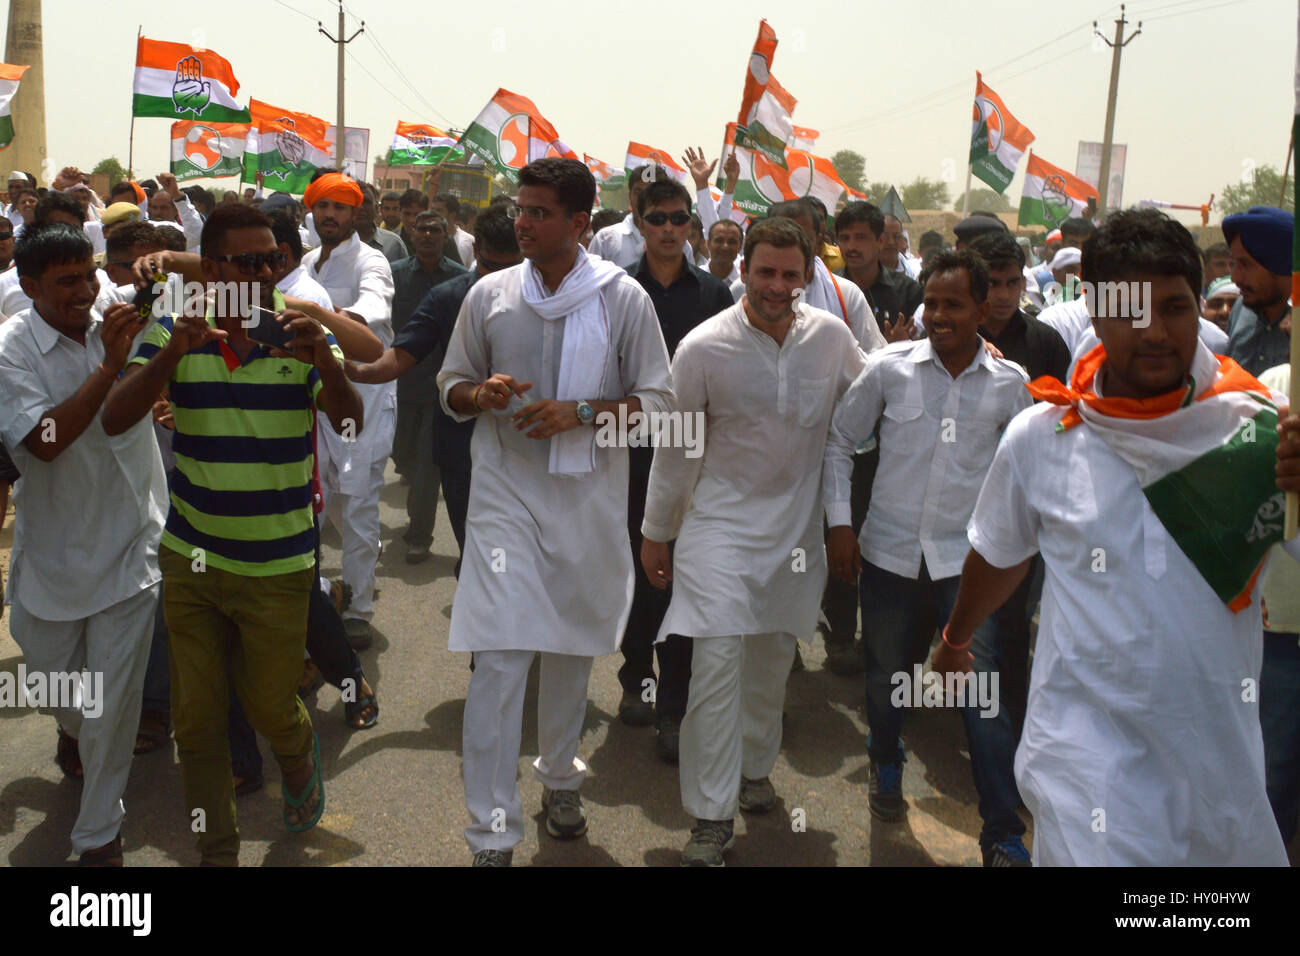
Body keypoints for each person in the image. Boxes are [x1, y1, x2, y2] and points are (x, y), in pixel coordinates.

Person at [934, 207, 1300, 865]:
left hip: (1218, 774)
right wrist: (956, 638)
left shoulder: (1261, 435)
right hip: (1084, 766)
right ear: (1095, 313)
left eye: (1176, 308)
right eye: (1132, 310)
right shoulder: (1043, 435)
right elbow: (999, 552)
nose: (1156, 332)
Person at [102, 203, 364, 866]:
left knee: (272, 706)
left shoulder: (298, 328)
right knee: (197, 723)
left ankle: (298, 758)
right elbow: (116, 418)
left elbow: (353, 426)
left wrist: (327, 368)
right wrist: (171, 358)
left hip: (279, 564)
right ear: (211, 267)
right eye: (248, 262)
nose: (265, 273)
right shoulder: (172, 324)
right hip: (192, 556)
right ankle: (216, 850)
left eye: (272, 260)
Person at [437, 158, 673, 866]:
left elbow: (659, 407)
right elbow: (450, 384)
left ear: (580, 224)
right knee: (501, 659)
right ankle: (491, 829)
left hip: (587, 502)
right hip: (505, 498)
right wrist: (478, 397)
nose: (523, 222)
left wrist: (580, 414)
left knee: (570, 648)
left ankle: (560, 776)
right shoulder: (490, 294)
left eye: (540, 213)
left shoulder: (621, 299)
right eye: (521, 210)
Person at [642, 217, 868, 866]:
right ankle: (710, 819)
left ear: (807, 278)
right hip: (716, 530)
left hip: (795, 536)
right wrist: (657, 533)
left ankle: (753, 769)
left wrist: (955, 356)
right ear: (743, 271)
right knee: (715, 668)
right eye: (764, 272)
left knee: (770, 665)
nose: (777, 286)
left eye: (790, 275)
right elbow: (677, 450)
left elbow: (873, 392)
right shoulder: (704, 348)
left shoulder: (829, 338)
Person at [825, 249, 1032, 860]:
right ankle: (885, 760)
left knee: (980, 694)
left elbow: (1025, 476)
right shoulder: (890, 369)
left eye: (953, 304)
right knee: (888, 675)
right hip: (887, 553)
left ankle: (1002, 831)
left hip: (967, 566)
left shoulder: (1008, 384)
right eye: (932, 303)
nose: (939, 316)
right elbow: (841, 441)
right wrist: (841, 524)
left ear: (981, 308)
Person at [0, 224, 167, 866]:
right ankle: (74, 734)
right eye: (67, 280)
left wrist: (165, 270)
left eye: (89, 273)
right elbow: (44, 441)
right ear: (30, 286)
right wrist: (109, 367)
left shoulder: (114, 314)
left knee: (112, 705)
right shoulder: (13, 350)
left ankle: (99, 834)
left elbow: (198, 287)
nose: (85, 290)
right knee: (51, 688)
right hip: (53, 552)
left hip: (132, 540)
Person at [616, 177, 734, 762]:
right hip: (628, 451)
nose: (668, 229)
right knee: (636, 572)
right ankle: (636, 676)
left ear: (691, 225)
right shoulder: (616, 290)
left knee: (680, 576)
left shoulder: (716, 295)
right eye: (657, 218)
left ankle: (676, 704)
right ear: (639, 221)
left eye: (679, 219)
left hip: (693, 455)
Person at [348, 205, 522, 572]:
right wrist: (355, 371)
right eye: (492, 268)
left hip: (523, 445)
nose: (499, 281)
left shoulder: (541, 298)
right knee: (471, 540)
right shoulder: (449, 296)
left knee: (508, 551)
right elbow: (402, 353)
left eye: (511, 270)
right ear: (477, 253)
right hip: (457, 430)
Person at [301, 173, 396, 649]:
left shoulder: (370, 260)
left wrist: (320, 316)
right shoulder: (304, 262)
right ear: (311, 211)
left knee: (357, 504)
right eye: (323, 207)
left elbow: (371, 309)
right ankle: (312, 593)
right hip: (313, 404)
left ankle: (357, 606)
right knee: (317, 501)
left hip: (365, 407)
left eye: (340, 207)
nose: (330, 216)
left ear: (355, 213)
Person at [389, 209, 467, 563]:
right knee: (402, 458)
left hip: (440, 389)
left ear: (445, 234)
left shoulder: (462, 281)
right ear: (413, 232)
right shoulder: (396, 276)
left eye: (435, 230)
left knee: (426, 466)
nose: (428, 236)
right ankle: (416, 511)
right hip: (400, 385)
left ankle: (419, 535)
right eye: (422, 230)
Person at [835, 201, 923, 341]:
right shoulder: (828, 287)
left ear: (880, 241)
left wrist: (900, 348)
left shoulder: (908, 291)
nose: (851, 247)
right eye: (845, 238)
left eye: (860, 238)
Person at [1223, 206, 1292, 376]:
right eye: (1234, 264)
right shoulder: (1241, 309)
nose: (1234, 278)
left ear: (1280, 265)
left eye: (1245, 264)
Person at [587, 165, 654, 267]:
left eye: (650, 193)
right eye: (638, 192)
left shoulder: (677, 242)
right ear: (629, 196)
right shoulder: (605, 239)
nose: (643, 199)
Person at [144, 172, 202, 251]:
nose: (158, 212)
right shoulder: (144, 232)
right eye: (154, 207)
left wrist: (177, 195)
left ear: (175, 210)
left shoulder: (183, 235)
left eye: (164, 208)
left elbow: (196, 234)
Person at [355, 183, 406, 264]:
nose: (360, 207)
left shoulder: (394, 243)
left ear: (376, 209)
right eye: (356, 202)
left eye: (366, 202)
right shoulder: (334, 244)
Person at [431, 193, 475, 266]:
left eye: (439, 211)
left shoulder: (469, 241)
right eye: (432, 210)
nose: (433, 214)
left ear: (452, 215)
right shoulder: (425, 237)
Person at [704, 218, 743, 284]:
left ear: (740, 247)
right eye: (719, 240)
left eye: (732, 242)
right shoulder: (692, 279)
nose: (725, 247)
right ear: (708, 244)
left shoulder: (745, 284)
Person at [880, 214, 919, 279]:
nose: (891, 242)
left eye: (896, 237)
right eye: (885, 237)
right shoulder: (864, 270)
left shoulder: (911, 271)